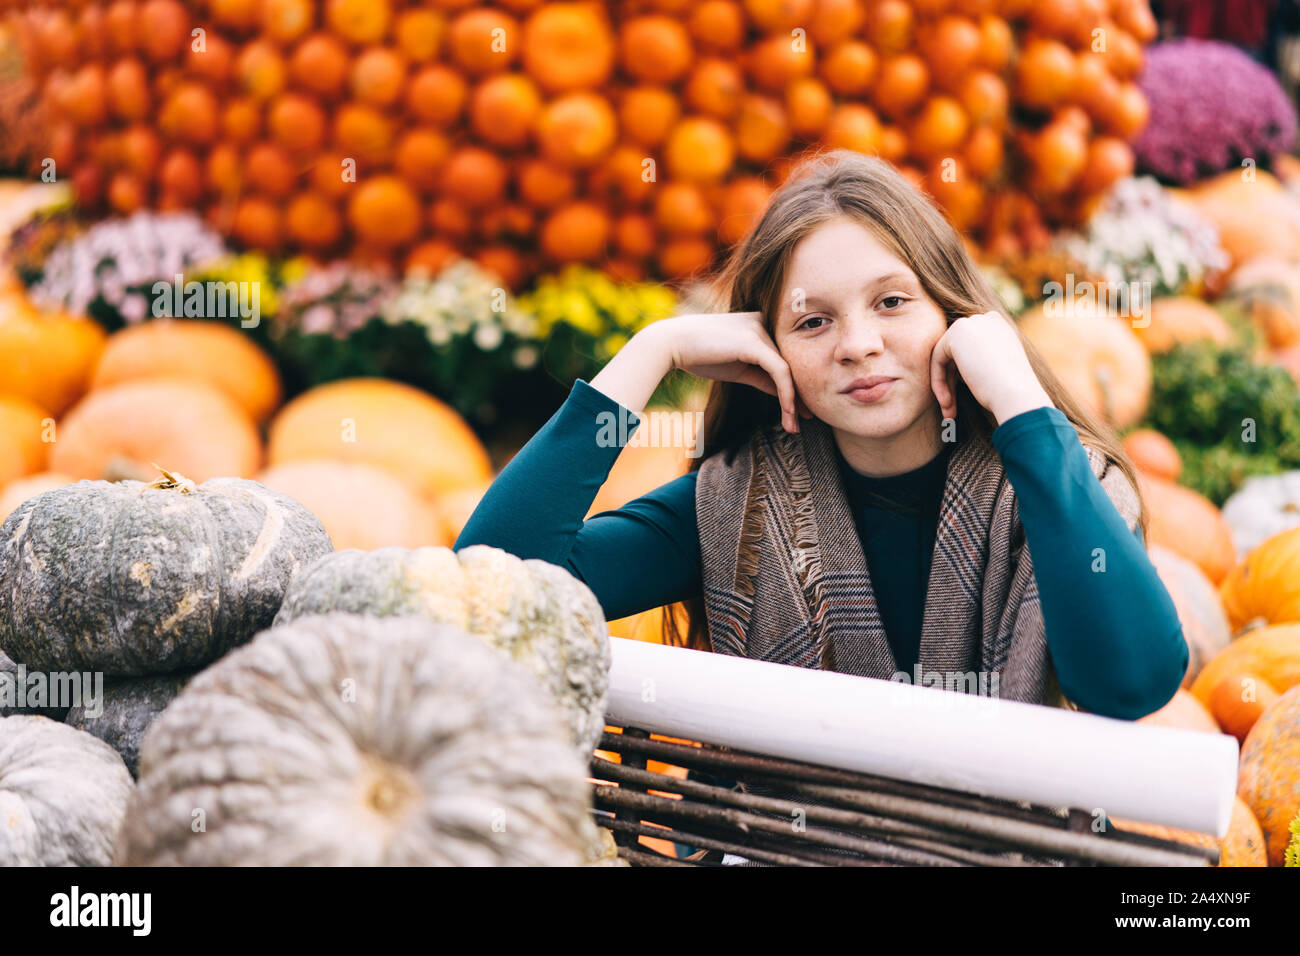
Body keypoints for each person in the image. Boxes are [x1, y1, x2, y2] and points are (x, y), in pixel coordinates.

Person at [456, 149, 1188, 860]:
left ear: (953, 313)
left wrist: (1022, 403)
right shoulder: (735, 506)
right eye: (813, 321)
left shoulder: (1053, 485)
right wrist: (653, 352)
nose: (859, 344)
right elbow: (488, 585)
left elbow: (1132, 683)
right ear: (767, 349)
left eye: (893, 302)